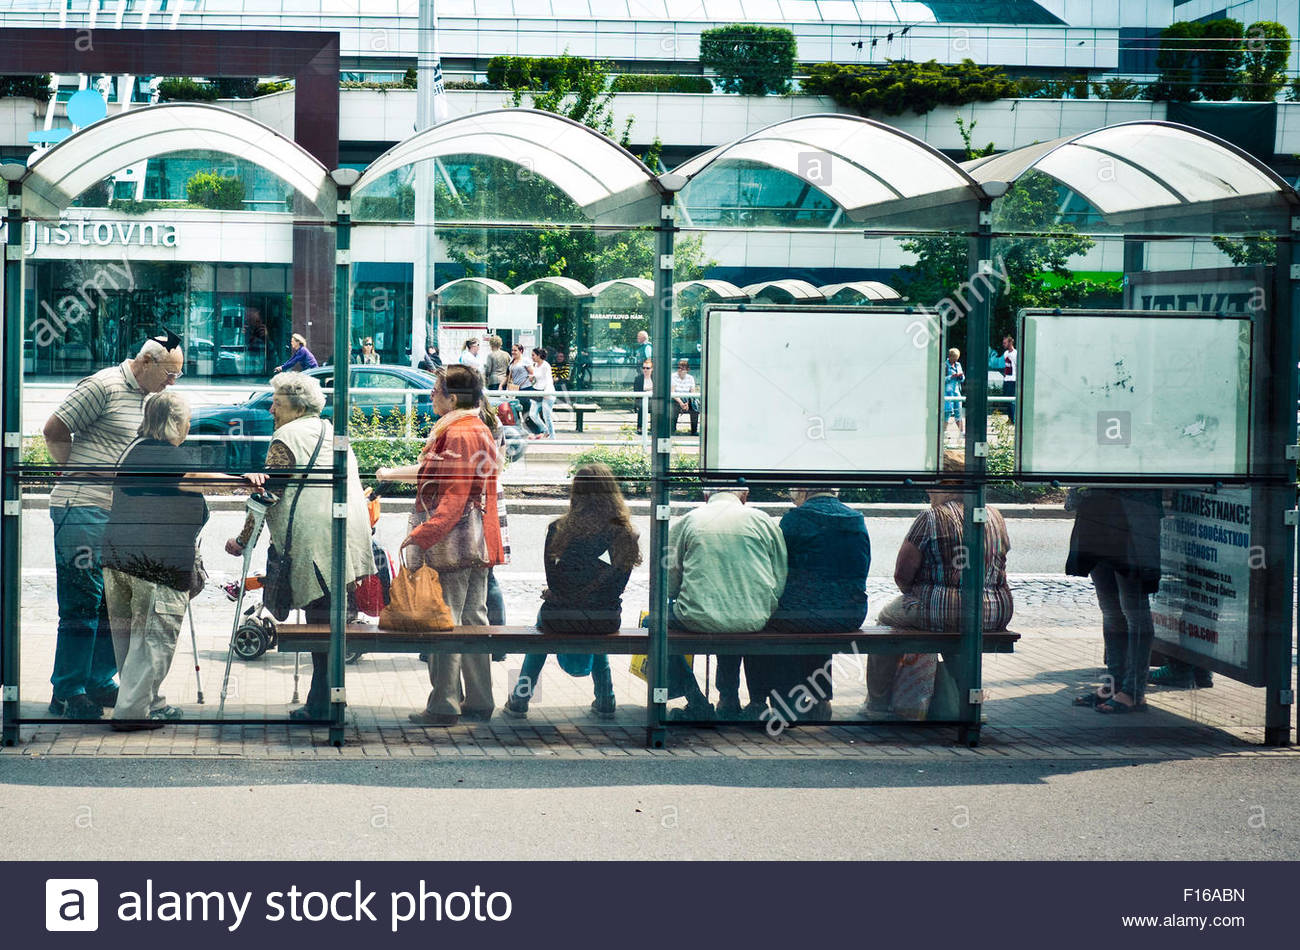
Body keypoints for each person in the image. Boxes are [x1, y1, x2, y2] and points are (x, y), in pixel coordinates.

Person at [43, 333, 185, 720]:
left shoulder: (150, 400)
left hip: (118, 512)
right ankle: (68, 691)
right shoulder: (102, 386)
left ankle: (99, 680)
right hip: (83, 506)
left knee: (111, 603)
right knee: (81, 602)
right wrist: (75, 471)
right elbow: (54, 430)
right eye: (170, 374)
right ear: (147, 361)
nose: (174, 382)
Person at [102, 391, 261, 730]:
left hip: (118, 559)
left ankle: (148, 702)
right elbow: (196, 481)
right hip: (155, 565)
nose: (189, 425)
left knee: (130, 641)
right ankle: (131, 714)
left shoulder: (134, 450)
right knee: (152, 642)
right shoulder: (165, 454)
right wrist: (241, 480)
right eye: (186, 419)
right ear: (173, 422)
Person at [224, 373, 375, 720]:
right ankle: (326, 698)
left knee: (319, 624)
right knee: (331, 622)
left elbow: (266, 495)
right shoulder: (330, 430)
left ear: (297, 405)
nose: (272, 408)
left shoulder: (286, 437)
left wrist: (242, 541)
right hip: (346, 536)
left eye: (278, 401)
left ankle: (322, 705)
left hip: (314, 542)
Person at [377, 365, 506, 727]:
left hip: (453, 542)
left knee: (443, 618)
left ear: (452, 397)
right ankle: (480, 699)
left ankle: (444, 704)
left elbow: (453, 495)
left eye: (435, 390)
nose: (430, 395)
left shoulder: (459, 433)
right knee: (473, 618)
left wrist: (420, 536)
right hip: (476, 538)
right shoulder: (474, 427)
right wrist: (391, 474)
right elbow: (444, 477)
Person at [868, 450, 1013, 719]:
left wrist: (919, 595)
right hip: (993, 612)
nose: (926, 488)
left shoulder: (931, 518)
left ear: (944, 483)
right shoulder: (994, 515)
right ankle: (966, 700)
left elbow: (902, 575)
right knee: (958, 628)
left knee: (886, 620)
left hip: (940, 611)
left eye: (931, 481)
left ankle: (876, 703)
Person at [503, 463, 641, 721]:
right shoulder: (624, 532)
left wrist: (559, 595)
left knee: (539, 630)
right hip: (606, 620)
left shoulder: (558, 528)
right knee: (598, 629)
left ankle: (520, 700)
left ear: (576, 493)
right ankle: (606, 699)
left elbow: (554, 581)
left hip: (561, 615)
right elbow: (616, 586)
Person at [665, 486, 788, 721]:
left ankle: (697, 700)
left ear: (706, 496)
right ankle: (756, 703)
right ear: (744, 496)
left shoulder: (689, 520)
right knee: (737, 623)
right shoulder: (762, 521)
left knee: (654, 624)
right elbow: (779, 576)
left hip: (698, 617)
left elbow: (669, 580)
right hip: (754, 617)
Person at [749, 487, 870, 721]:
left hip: (801, 614)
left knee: (767, 622)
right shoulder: (856, 519)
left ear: (803, 491)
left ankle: (782, 702)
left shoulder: (795, 519)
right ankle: (820, 700)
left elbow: (776, 568)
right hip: (850, 614)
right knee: (821, 611)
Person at [1066, 488, 1163, 713]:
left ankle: (1133, 692)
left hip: (1131, 520)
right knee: (1111, 610)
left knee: (1133, 610)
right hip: (1097, 517)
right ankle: (1114, 684)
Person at [526, 347, 556, 439]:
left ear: (539, 355)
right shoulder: (534, 365)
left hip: (547, 392)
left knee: (547, 416)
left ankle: (552, 436)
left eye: (533, 355)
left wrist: (547, 393)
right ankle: (545, 429)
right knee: (532, 414)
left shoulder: (546, 365)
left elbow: (548, 380)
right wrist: (532, 379)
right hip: (537, 391)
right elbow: (537, 380)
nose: (532, 357)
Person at [670, 359, 699, 435]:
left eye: (682, 369)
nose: (680, 370)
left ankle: (694, 430)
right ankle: (672, 430)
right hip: (676, 398)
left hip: (687, 398)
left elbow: (692, 393)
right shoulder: (673, 376)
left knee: (695, 406)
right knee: (674, 406)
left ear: (687, 370)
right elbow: (672, 392)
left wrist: (686, 403)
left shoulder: (690, 378)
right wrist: (681, 403)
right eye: (679, 368)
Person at [944, 347, 965, 438]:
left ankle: (962, 432)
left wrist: (961, 377)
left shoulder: (958, 365)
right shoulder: (945, 365)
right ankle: (944, 432)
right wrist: (951, 376)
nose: (955, 360)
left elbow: (962, 379)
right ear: (950, 356)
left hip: (956, 391)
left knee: (958, 411)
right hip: (947, 392)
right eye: (954, 358)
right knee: (947, 411)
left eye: (957, 358)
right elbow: (941, 379)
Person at [632, 358, 653, 434]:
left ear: (651, 369)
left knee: (656, 405)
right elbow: (637, 392)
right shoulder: (638, 379)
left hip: (653, 400)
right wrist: (650, 389)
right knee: (643, 406)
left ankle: (654, 427)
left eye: (648, 368)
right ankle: (640, 427)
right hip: (641, 399)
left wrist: (646, 390)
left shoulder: (656, 379)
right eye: (643, 368)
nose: (645, 370)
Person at [1000, 335, 1017, 424]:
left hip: (1013, 379)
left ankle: (1013, 419)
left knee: (1011, 400)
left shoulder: (1016, 354)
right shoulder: (1006, 353)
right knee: (1006, 399)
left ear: (1010, 343)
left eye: (1005, 343)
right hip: (1007, 379)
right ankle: (1010, 418)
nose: (1003, 344)